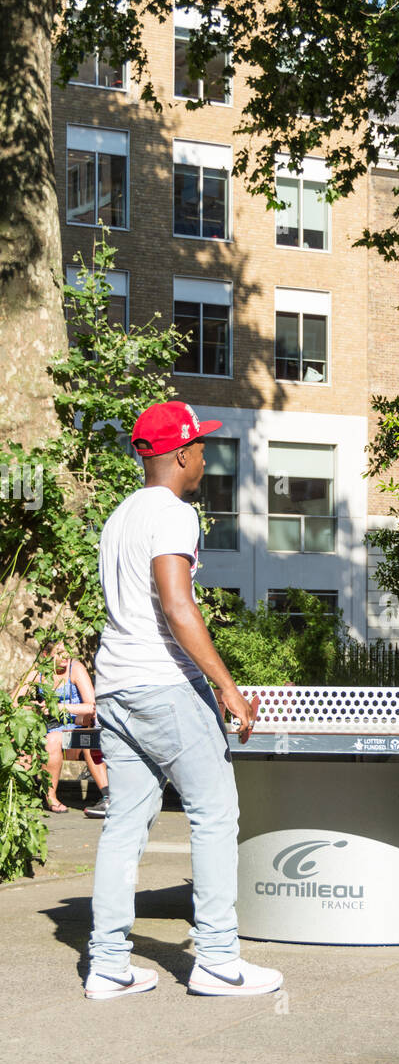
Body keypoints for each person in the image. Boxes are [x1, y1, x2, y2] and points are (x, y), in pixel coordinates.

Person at [86, 400, 283, 1001]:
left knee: (124, 826)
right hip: (165, 687)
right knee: (215, 813)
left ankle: (108, 964)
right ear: (178, 455)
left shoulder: (120, 517)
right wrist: (227, 687)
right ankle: (219, 959)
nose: (204, 455)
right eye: (199, 446)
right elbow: (177, 604)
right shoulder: (173, 514)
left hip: (117, 688)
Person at [15, 640, 109, 816]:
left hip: (76, 726)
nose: (65, 657)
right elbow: (15, 703)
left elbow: (92, 707)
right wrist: (33, 706)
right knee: (43, 740)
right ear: (45, 655)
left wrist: (58, 708)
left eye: (66, 652)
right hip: (49, 729)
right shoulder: (39, 672)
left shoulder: (75, 669)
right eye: (58, 653)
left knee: (82, 739)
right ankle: (45, 797)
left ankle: (108, 797)